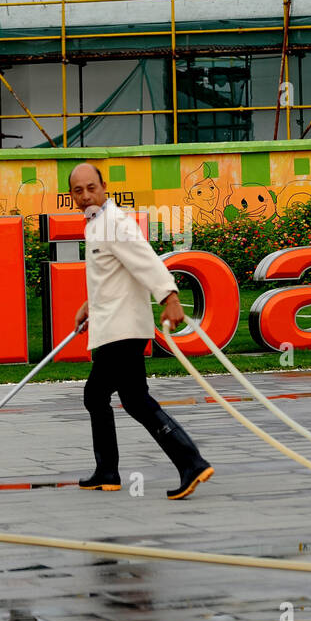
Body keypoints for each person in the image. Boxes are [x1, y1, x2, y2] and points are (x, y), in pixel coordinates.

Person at [68, 162, 214, 500]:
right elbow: (115, 274)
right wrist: (90, 305)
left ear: (104, 187)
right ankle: (109, 471)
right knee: (108, 397)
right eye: (78, 191)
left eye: (92, 188)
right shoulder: (97, 225)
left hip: (121, 331)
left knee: (129, 399)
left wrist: (170, 296)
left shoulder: (114, 223)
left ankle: (191, 462)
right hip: (113, 326)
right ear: (72, 196)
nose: (86, 195)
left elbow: (145, 260)